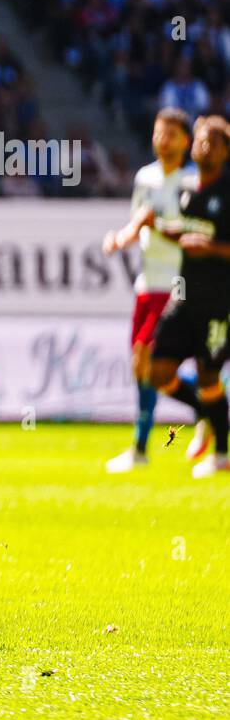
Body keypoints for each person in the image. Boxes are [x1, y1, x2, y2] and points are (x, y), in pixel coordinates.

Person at [101, 108, 197, 471]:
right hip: (147, 282)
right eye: (158, 132)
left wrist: (142, 227)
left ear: (185, 141)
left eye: (170, 134)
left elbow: (186, 229)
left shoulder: (192, 181)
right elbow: (138, 222)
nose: (162, 139)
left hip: (178, 282)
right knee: (142, 365)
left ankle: (208, 411)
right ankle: (206, 409)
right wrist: (125, 236)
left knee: (151, 359)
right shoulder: (146, 178)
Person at [145, 115, 230, 478]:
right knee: (156, 370)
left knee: (209, 378)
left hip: (218, 305)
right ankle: (209, 416)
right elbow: (185, 233)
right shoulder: (187, 189)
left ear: (225, 150)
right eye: (200, 140)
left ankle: (223, 452)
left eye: (212, 141)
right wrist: (157, 227)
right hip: (183, 300)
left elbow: (204, 242)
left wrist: (210, 248)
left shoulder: (227, 192)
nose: (204, 146)